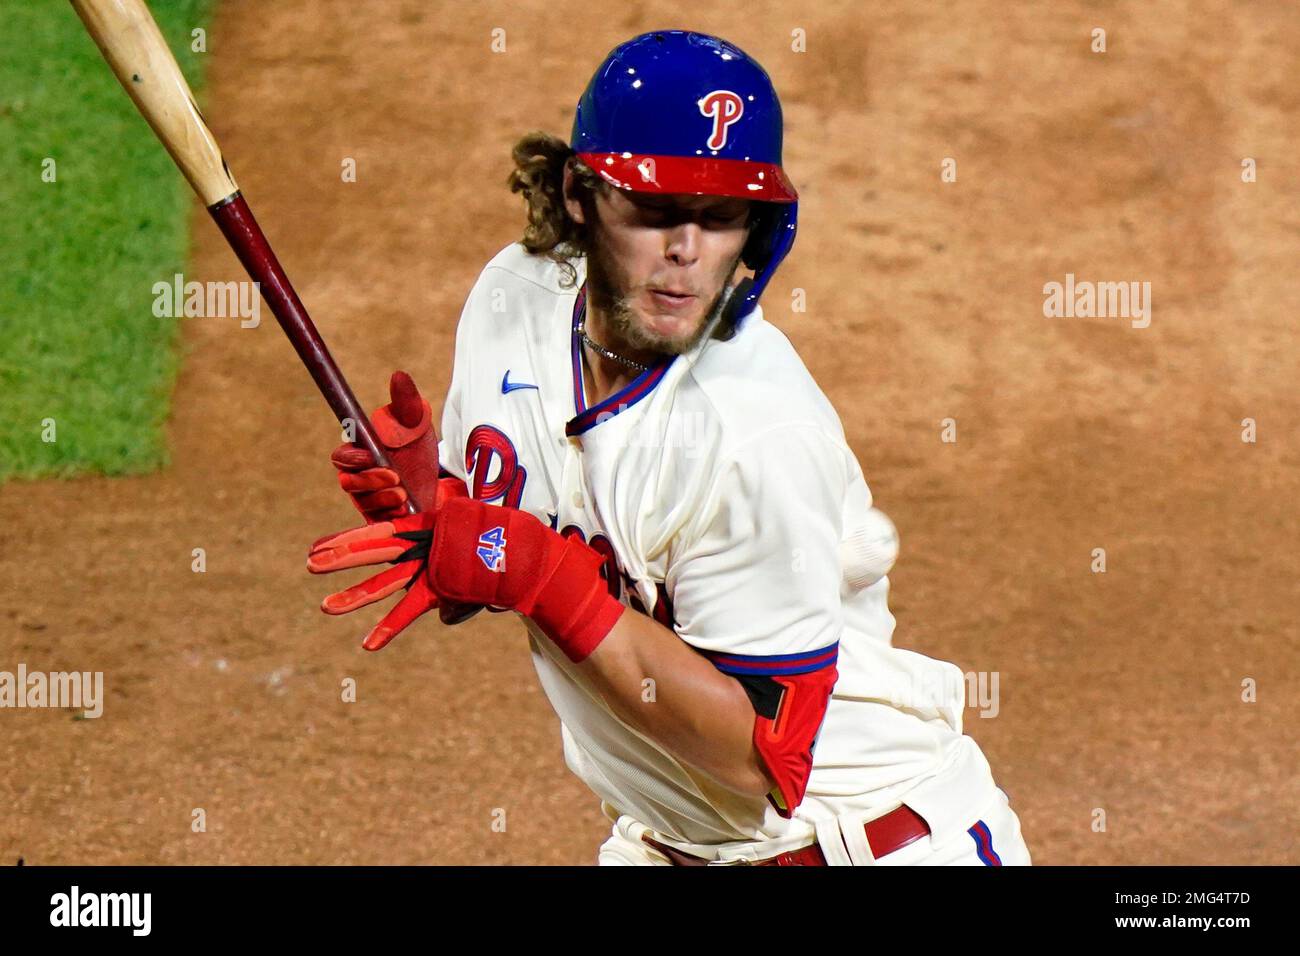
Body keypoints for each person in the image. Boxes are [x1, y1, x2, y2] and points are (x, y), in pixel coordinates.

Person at [307, 30, 1031, 866]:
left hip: (868, 842)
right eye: (654, 212)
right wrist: (438, 512)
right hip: (670, 843)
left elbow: (758, 759)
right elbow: (512, 550)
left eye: (720, 218)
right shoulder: (513, 299)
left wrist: (531, 570)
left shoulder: (755, 431)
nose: (687, 251)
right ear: (580, 195)